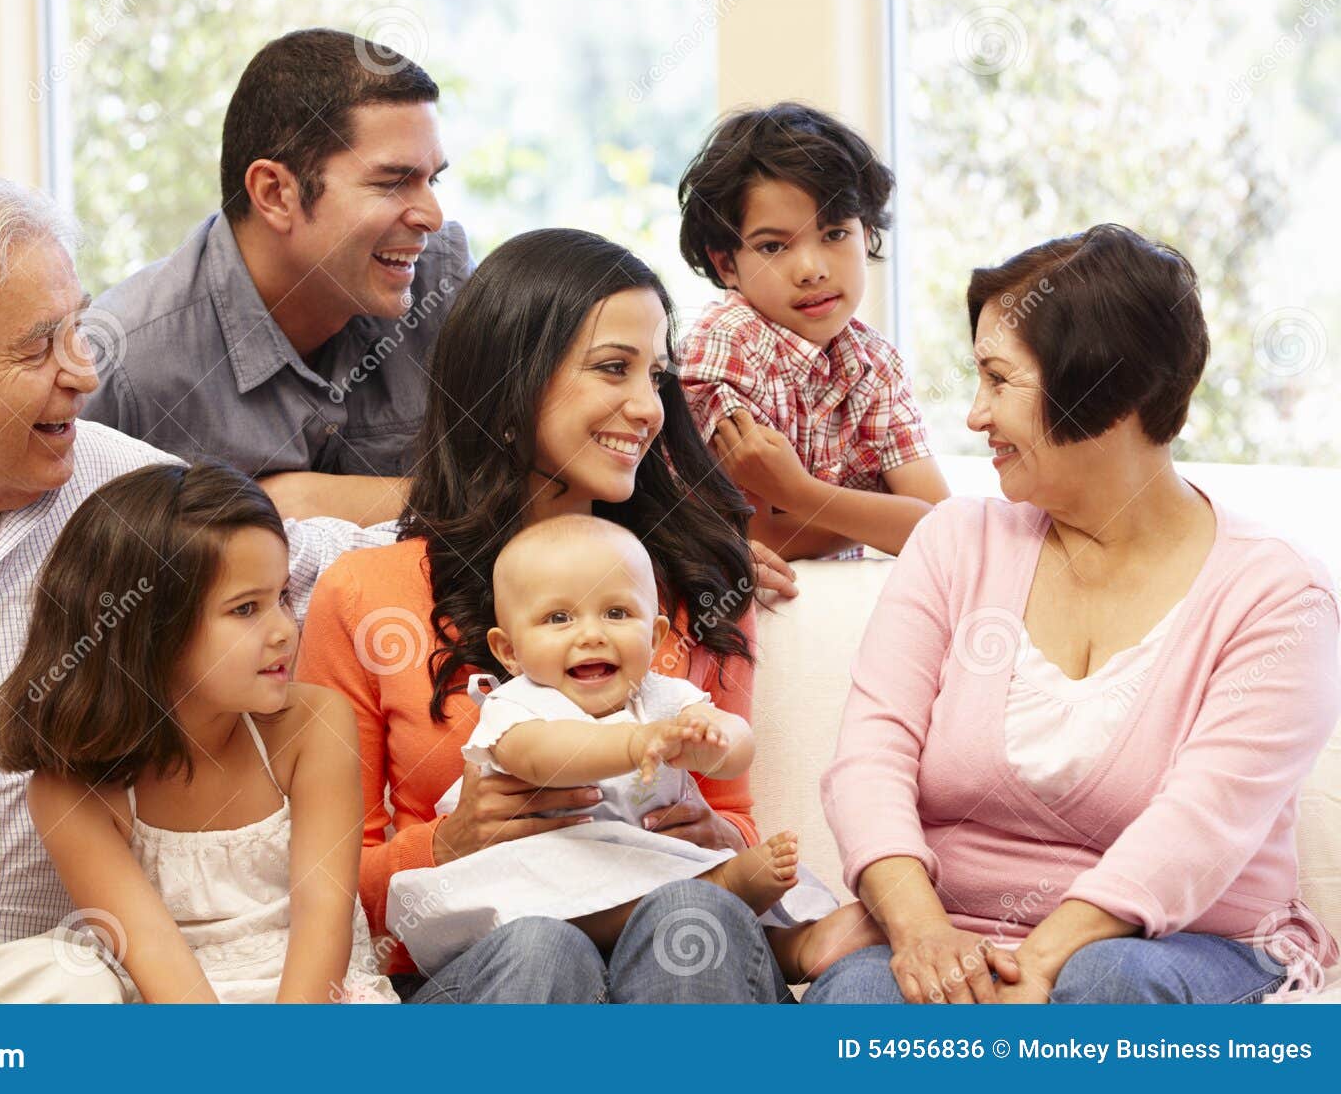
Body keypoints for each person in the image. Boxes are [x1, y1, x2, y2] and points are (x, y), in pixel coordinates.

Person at [0, 167, 391, 1004]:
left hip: (31, 988)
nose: (84, 373)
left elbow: (331, 563)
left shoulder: (115, 488)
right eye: (38, 346)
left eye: (79, 331)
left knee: (73, 986)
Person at [808, 225, 1339, 1004]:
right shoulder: (955, 543)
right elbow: (869, 758)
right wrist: (923, 932)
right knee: (860, 1000)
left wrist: (1042, 961)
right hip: (955, 927)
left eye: (998, 380)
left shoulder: (1277, 598)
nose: (976, 415)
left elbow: (1202, 822)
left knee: (1105, 984)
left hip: (1183, 944)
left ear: (1107, 392)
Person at [298, 228, 813, 1004]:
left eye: (656, 375)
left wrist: (718, 841)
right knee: (544, 945)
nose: (646, 406)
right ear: (512, 381)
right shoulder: (364, 594)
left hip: (681, 956)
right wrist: (444, 840)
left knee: (692, 913)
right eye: (613, 368)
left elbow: (735, 812)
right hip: (491, 969)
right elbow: (321, 880)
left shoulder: (696, 581)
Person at [387, 513, 876, 980]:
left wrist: (713, 742)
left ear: (656, 634)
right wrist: (637, 742)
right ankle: (726, 891)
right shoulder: (517, 705)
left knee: (685, 903)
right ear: (509, 651)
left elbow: (735, 748)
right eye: (559, 618)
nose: (592, 634)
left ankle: (793, 948)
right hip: (542, 871)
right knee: (556, 918)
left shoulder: (663, 699)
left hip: (646, 861)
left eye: (617, 613)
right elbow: (542, 755)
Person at [0, 462, 394, 1003]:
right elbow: (157, 963)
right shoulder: (68, 792)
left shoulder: (313, 726)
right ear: (151, 631)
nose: (283, 631)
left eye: (283, 598)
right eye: (245, 609)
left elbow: (325, 918)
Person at [83, 28, 474, 527]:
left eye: (432, 180)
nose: (431, 217)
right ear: (274, 193)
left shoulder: (440, 281)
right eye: (392, 183)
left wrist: (306, 502)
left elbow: (545, 486)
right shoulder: (124, 365)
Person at [676, 103, 948, 558]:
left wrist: (800, 494)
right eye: (773, 246)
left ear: (867, 233)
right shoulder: (724, 345)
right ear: (726, 264)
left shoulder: (873, 362)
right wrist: (882, 513)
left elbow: (941, 529)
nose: (811, 269)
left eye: (835, 234)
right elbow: (754, 538)